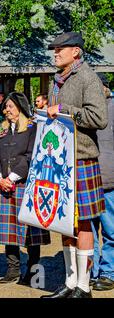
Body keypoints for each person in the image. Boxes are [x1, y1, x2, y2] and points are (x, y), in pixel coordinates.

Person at [41, 32, 108, 298]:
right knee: (63, 223)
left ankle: (84, 286)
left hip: (81, 159)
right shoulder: (56, 81)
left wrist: (66, 110)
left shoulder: (89, 78)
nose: (55, 53)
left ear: (76, 52)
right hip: (58, 159)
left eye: (60, 49)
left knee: (83, 225)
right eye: (54, 49)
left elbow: (99, 118)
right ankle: (69, 284)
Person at [0, 92, 51, 285]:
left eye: (10, 107)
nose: (6, 110)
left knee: (30, 232)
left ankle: (33, 271)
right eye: (5, 107)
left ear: (20, 108)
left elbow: (30, 155)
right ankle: (13, 269)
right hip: (3, 185)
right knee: (9, 231)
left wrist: (13, 177)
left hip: (25, 184)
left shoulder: (33, 128)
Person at [91, 73, 114, 291]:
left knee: (110, 230)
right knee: (88, 231)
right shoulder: (86, 110)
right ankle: (92, 270)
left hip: (110, 179)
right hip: (87, 178)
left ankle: (108, 272)